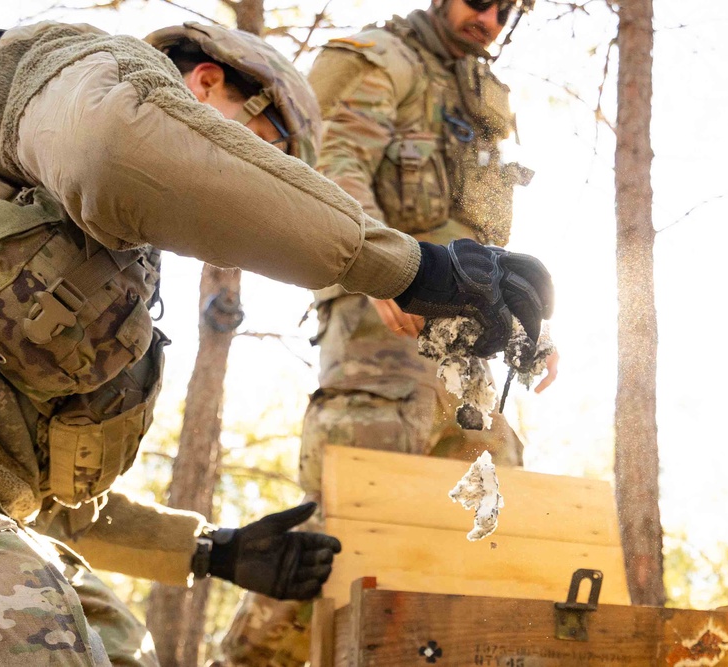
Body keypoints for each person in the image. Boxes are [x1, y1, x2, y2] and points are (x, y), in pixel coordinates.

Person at [0, 17, 551, 667]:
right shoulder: (61, 69)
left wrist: (209, 548)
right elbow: (115, 145)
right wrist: (409, 267)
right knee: (9, 628)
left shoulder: (113, 278)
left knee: (115, 641)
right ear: (208, 82)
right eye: (266, 155)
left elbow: (32, 503)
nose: (257, 184)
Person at [218, 1, 559, 665]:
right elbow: (329, 166)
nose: (488, 17)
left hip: (471, 355)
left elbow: (491, 239)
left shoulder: (487, 96)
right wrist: (378, 272)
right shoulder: (379, 59)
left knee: (487, 532)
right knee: (347, 526)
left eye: (505, 8)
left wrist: (528, 319)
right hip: (383, 335)